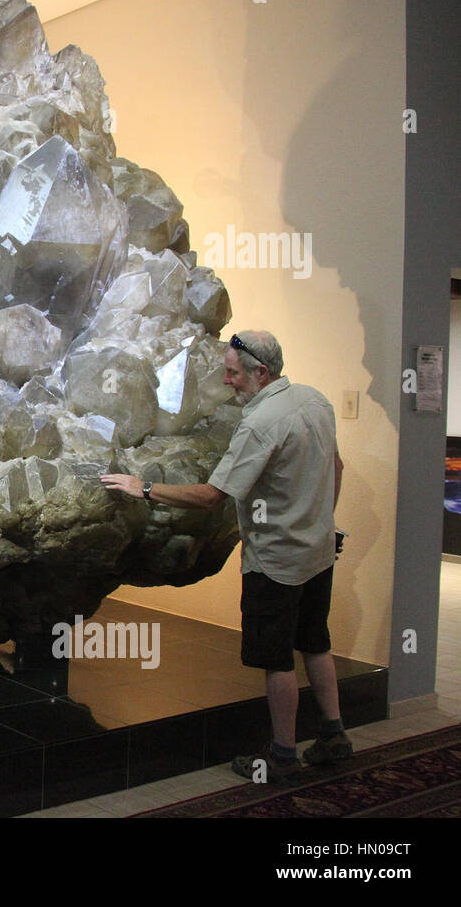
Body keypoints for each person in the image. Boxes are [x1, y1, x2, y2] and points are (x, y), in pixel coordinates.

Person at [100, 330, 349, 785]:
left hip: (276, 562)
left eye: (233, 373)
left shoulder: (260, 424)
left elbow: (211, 496)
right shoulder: (315, 401)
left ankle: (283, 754)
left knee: (277, 659)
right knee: (315, 641)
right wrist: (321, 522)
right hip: (317, 552)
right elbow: (337, 467)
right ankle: (334, 734)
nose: (227, 381)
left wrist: (146, 488)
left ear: (261, 372)